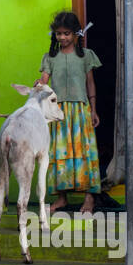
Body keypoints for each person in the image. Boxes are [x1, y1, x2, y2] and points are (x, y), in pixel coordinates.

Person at [37, 11, 101, 215]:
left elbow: (90, 83)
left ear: (75, 34)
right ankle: (61, 198)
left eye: (66, 33)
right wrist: (38, 85)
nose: (62, 38)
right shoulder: (50, 58)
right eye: (58, 34)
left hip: (80, 111)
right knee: (58, 153)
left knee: (84, 152)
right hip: (57, 112)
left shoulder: (85, 56)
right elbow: (44, 80)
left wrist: (93, 109)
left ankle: (89, 198)